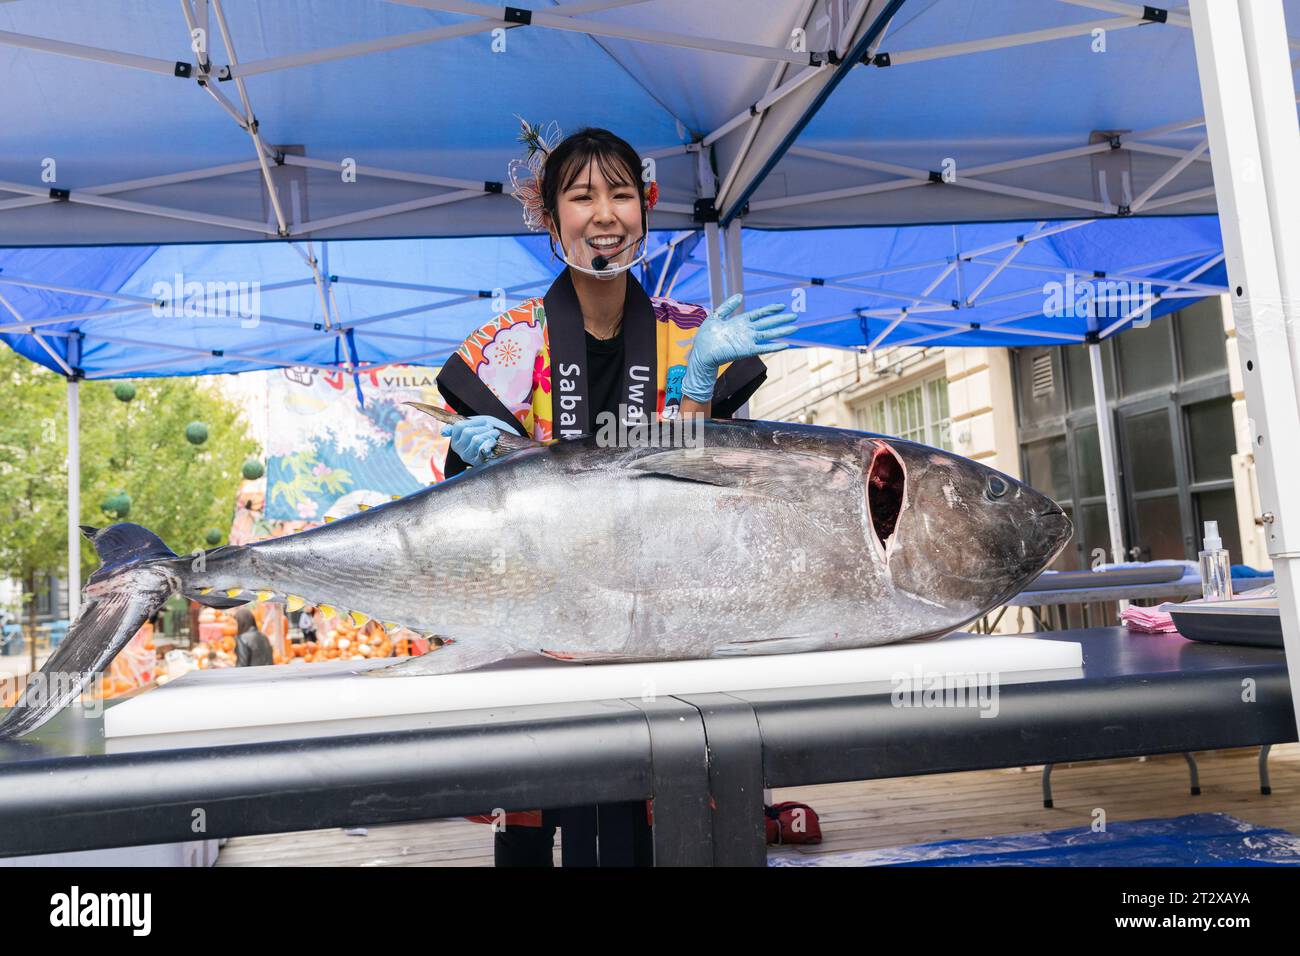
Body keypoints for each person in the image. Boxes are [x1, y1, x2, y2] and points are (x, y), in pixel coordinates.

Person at [435, 119, 798, 867]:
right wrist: (468, 463)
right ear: (549, 216)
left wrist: (699, 386)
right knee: (536, 815)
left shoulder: (691, 335)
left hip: (662, 621)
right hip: (538, 626)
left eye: (621, 194)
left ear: (648, 205)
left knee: (651, 821)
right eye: (581, 196)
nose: (604, 214)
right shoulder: (507, 346)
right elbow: (468, 510)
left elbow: (705, 488)